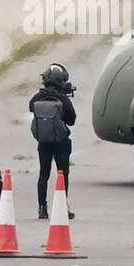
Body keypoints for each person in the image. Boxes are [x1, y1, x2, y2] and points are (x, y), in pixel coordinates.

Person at [29, 63, 77, 221]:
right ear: (60, 81)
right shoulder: (63, 99)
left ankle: (42, 208)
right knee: (62, 175)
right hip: (61, 143)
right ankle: (62, 206)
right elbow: (72, 120)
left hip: (43, 142)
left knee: (44, 174)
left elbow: (31, 107)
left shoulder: (37, 97)